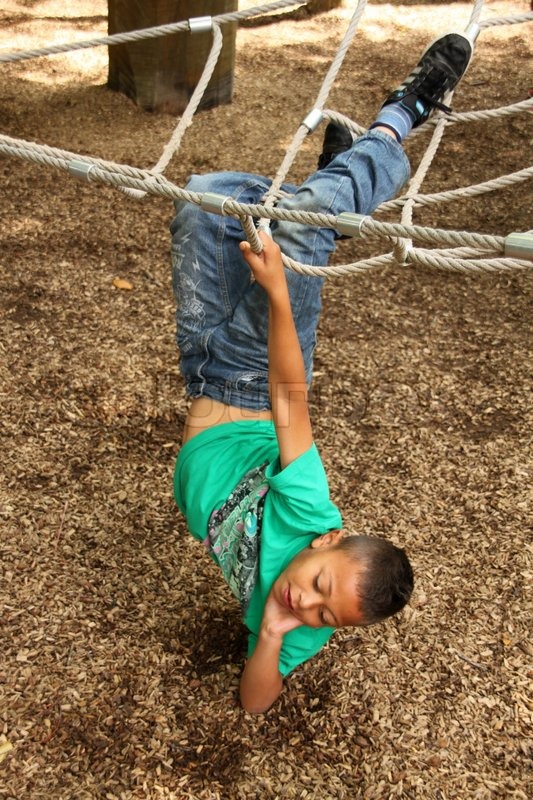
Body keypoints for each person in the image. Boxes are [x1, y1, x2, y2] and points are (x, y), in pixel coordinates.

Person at [171, 33, 473, 713]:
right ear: (328, 543)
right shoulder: (310, 510)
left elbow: (254, 703)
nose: (302, 600)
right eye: (318, 585)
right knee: (294, 229)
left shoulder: (300, 631)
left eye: (321, 614)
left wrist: (274, 635)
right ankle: (402, 116)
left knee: (204, 198)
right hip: (246, 387)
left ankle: (331, 203)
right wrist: (279, 293)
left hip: (200, 378)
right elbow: (287, 395)